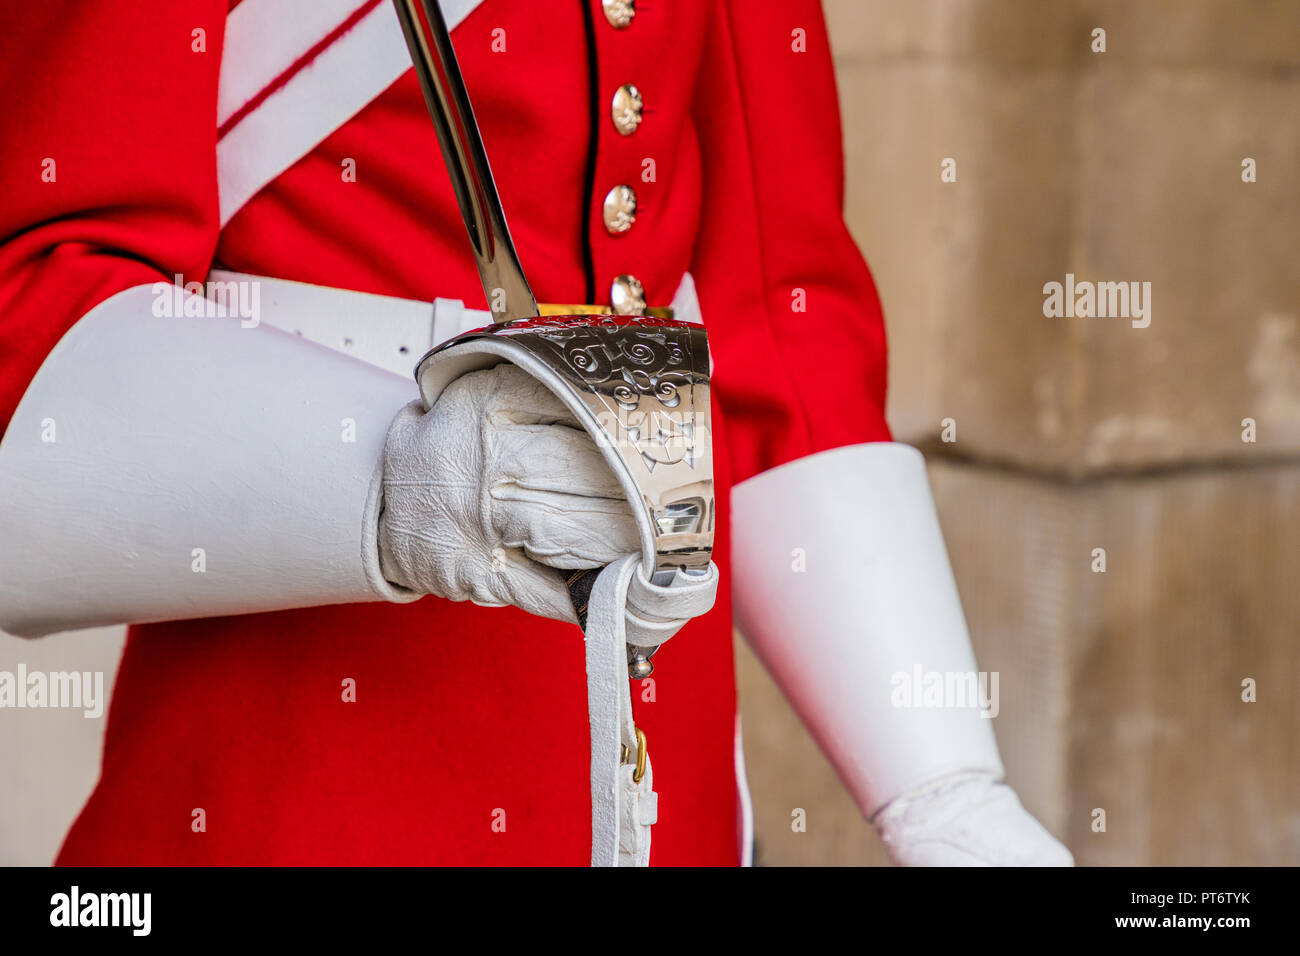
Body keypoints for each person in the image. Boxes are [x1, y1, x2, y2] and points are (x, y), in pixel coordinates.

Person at [0, 0, 1070, 866]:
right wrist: (391, 474)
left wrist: (938, 786)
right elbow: (34, 301)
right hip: (315, 781)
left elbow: (777, 315)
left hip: (667, 793)